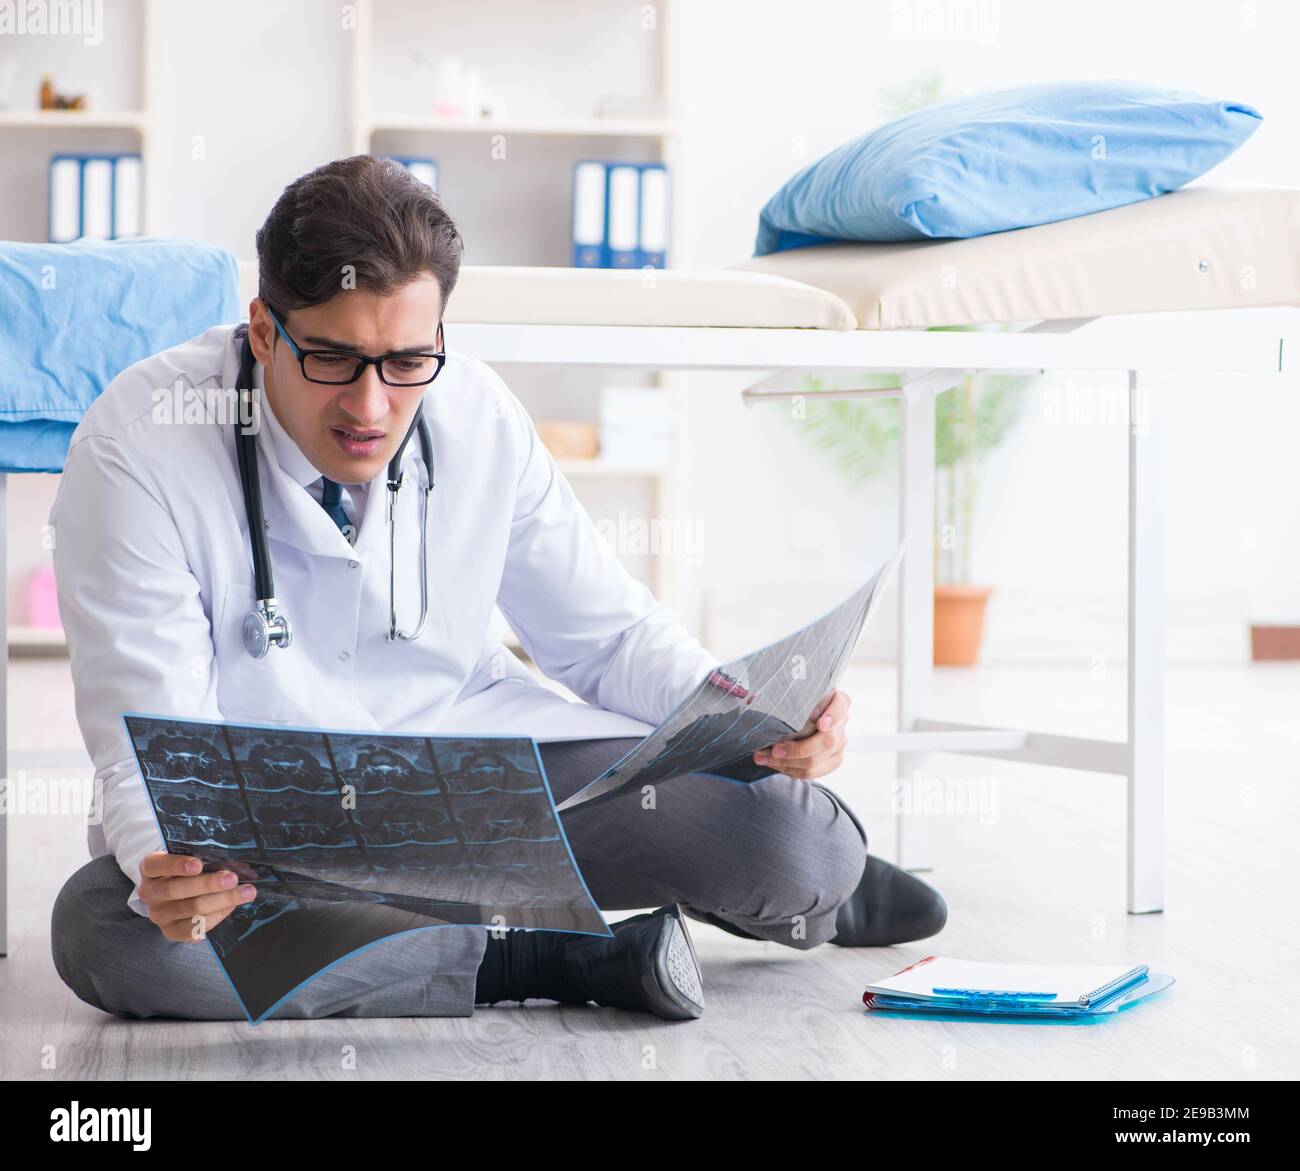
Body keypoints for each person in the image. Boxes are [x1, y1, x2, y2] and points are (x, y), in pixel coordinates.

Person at [48, 156, 945, 1024]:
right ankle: (546, 955)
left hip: (481, 778)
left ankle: (809, 897)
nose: (369, 408)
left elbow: (605, 637)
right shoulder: (140, 442)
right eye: (333, 359)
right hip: (286, 828)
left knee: (799, 845)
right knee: (113, 937)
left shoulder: (475, 413)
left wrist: (747, 716)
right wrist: (160, 861)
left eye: (405, 361)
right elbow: (147, 734)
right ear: (261, 329)